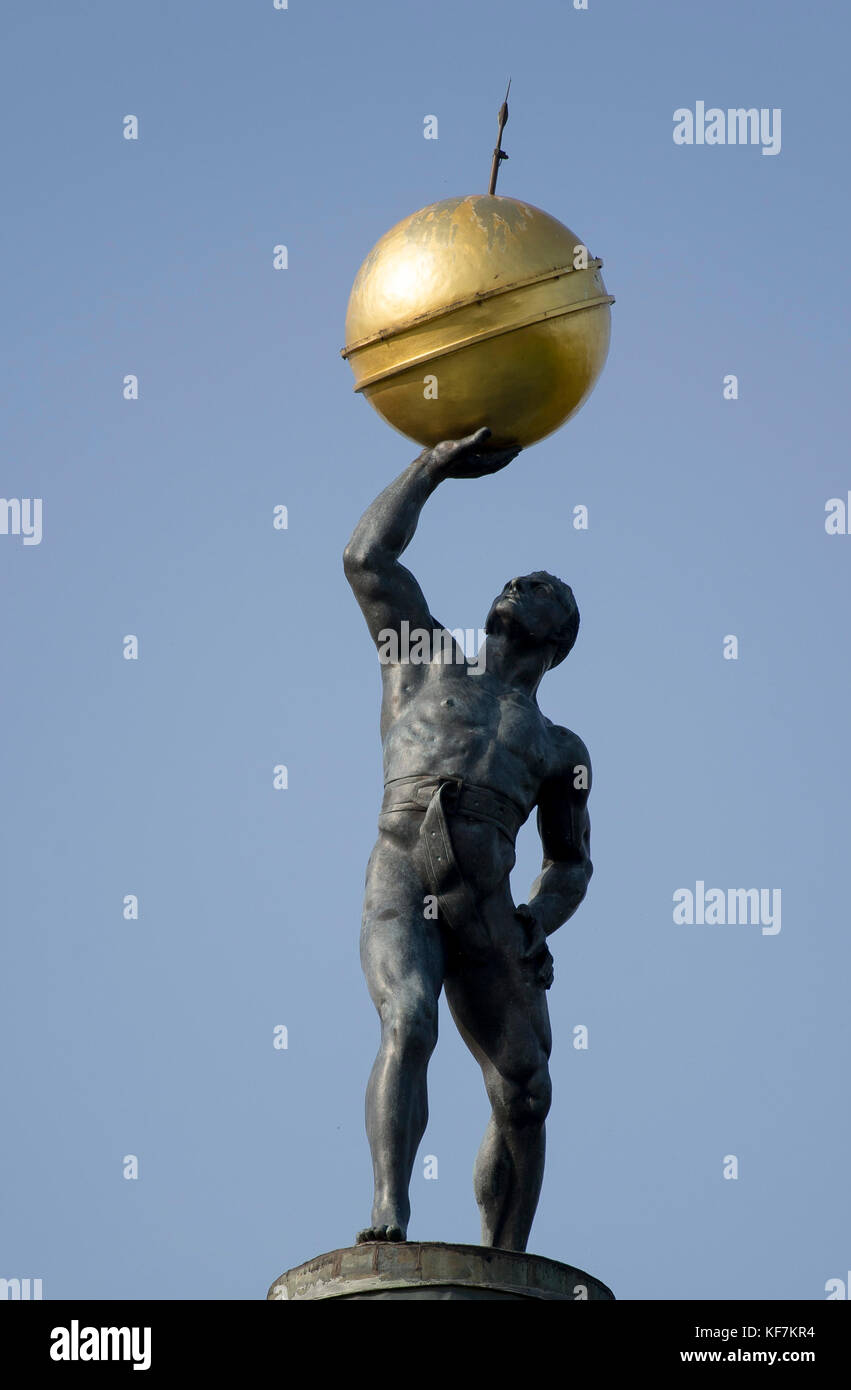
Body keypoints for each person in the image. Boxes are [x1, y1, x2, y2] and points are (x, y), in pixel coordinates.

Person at [343, 427, 593, 1252]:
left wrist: (537, 919)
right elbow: (368, 562)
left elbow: (570, 861)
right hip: (405, 867)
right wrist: (432, 465)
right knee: (410, 1020)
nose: (524, 583)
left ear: (558, 641)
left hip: (486, 903)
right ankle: (390, 1209)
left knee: (525, 1091)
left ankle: (505, 1257)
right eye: (519, 577)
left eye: (545, 587)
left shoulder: (561, 748)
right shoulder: (425, 663)